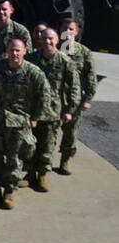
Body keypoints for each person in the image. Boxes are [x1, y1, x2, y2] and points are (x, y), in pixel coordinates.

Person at [0, 38, 47, 210]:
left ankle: (9, 192)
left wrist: (35, 117)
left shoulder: (34, 72)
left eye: (18, 50)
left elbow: (44, 96)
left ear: (25, 51)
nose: (14, 53)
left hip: (19, 122)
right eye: (11, 50)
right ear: (6, 50)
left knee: (14, 159)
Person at [26, 28, 78, 193]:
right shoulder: (32, 59)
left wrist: (70, 110)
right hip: (33, 110)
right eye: (45, 39)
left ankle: (42, 175)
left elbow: (74, 88)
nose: (47, 42)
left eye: (51, 39)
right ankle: (30, 174)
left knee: (47, 145)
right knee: (29, 144)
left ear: (57, 41)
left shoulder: (65, 62)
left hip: (53, 112)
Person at [57, 19, 96, 175]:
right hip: (54, 97)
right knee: (46, 132)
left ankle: (65, 159)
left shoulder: (84, 52)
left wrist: (88, 100)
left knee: (71, 132)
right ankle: (38, 162)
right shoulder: (53, 48)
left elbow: (91, 77)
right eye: (65, 28)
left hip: (74, 99)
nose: (68, 31)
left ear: (77, 32)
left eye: (71, 29)